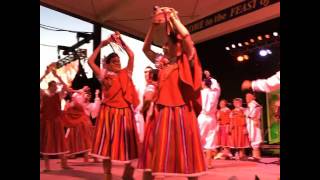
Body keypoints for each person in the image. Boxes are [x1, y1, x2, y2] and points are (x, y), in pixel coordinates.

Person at [141, 6, 206, 179]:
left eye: (167, 44)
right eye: (163, 44)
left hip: (182, 110)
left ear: (178, 47)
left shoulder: (186, 60)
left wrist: (174, 19)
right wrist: (153, 26)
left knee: (188, 154)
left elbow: (186, 37)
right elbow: (145, 48)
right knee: (160, 153)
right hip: (163, 110)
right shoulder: (161, 62)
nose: (163, 47)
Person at [87, 32, 140, 179]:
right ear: (108, 64)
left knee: (128, 146)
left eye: (118, 61)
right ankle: (107, 175)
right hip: (108, 113)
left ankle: (127, 174)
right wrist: (101, 45)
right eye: (114, 61)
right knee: (107, 148)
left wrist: (120, 41)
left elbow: (132, 55)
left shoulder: (126, 73)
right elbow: (90, 62)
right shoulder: (104, 75)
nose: (118, 63)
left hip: (124, 113)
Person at [40, 66, 71, 172]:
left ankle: (64, 164)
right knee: (46, 143)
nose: (56, 87)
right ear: (50, 86)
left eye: (56, 86)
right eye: (54, 86)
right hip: (47, 122)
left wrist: (57, 76)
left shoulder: (58, 95)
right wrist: (44, 74)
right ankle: (47, 167)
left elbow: (66, 86)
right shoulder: (44, 94)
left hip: (56, 122)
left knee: (60, 142)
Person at [137, 66, 159, 179]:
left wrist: (142, 109)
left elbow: (149, 98)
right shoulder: (160, 86)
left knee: (149, 153)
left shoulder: (151, 86)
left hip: (153, 120)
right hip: (160, 120)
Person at [197, 79, 219, 168]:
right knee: (210, 139)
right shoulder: (215, 93)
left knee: (199, 139)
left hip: (202, 117)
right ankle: (209, 164)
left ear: (204, 83)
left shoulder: (200, 93)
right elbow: (217, 87)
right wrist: (210, 78)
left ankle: (198, 163)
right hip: (212, 118)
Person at [245, 93, 263, 161]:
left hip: (253, 122)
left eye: (249, 96)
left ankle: (256, 156)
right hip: (251, 122)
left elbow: (252, 113)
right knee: (253, 137)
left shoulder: (254, 104)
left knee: (255, 137)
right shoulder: (251, 104)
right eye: (246, 97)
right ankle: (255, 155)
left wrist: (255, 118)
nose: (247, 98)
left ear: (253, 97)